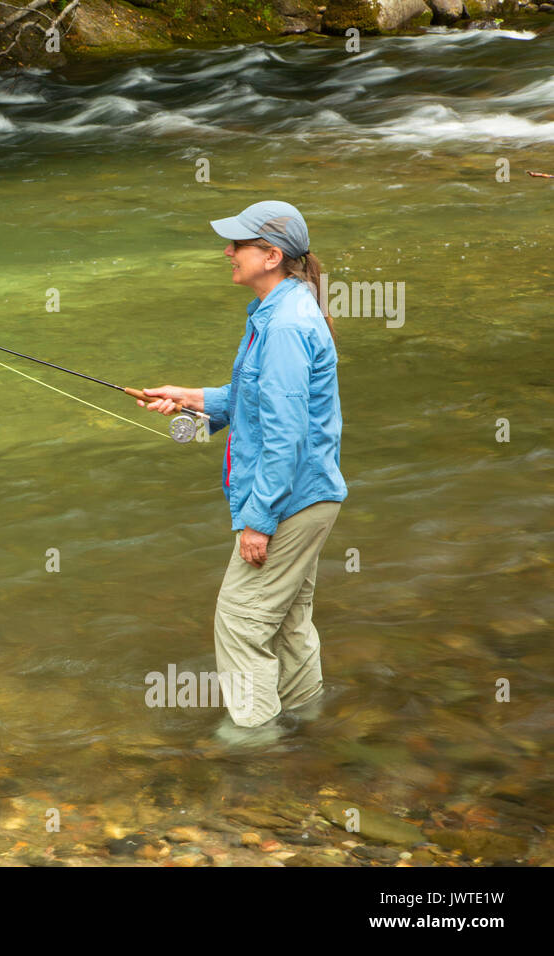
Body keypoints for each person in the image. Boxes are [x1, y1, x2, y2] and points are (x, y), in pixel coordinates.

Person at [138, 200, 347, 730]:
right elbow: (254, 399)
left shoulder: (283, 327)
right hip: (310, 497)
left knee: (241, 620)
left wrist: (258, 520)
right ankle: (306, 722)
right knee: (288, 617)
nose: (227, 252)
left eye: (239, 244)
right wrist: (189, 398)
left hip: (290, 501)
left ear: (272, 255)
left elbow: (285, 435)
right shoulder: (281, 310)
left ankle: (253, 746)